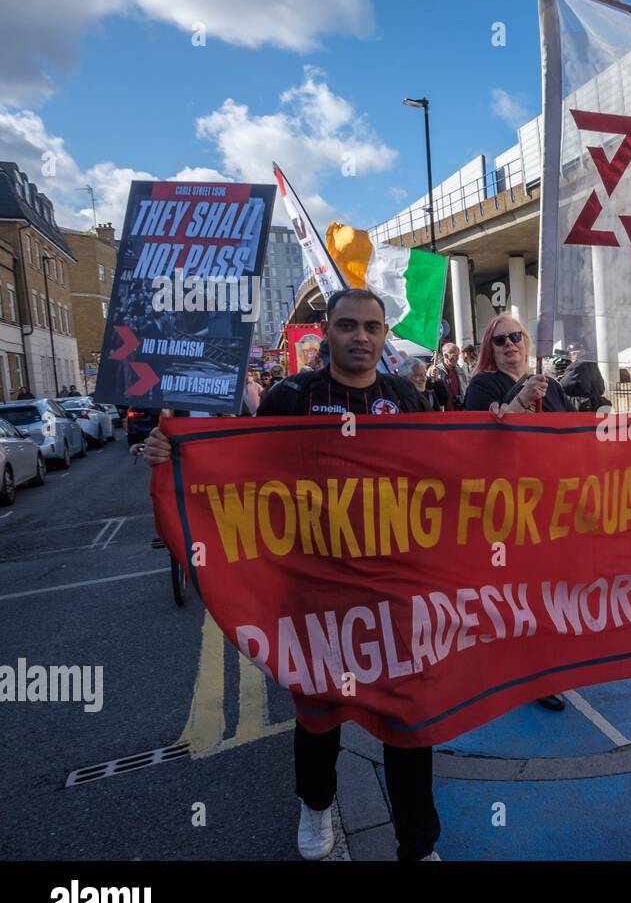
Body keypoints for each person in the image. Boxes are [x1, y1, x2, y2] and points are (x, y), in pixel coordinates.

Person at [143, 289, 442, 860]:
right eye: (348, 325)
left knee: (408, 716)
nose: (361, 336)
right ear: (326, 331)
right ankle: (316, 804)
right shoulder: (291, 396)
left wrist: (515, 425)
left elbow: (456, 466)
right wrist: (174, 452)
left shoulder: (406, 396)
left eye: (372, 326)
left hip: (394, 585)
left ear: (384, 335)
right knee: (318, 713)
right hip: (315, 587)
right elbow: (238, 468)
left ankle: (418, 843)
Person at [464, 313, 571, 712]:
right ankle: (534, 673)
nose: (510, 344)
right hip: (508, 507)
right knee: (522, 590)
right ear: (489, 351)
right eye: (500, 340)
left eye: (516, 336)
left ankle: (537, 662)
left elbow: (570, 436)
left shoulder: (553, 385)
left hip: (553, 504)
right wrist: (521, 401)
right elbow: (485, 440)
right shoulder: (482, 386)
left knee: (551, 587)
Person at [558, 343, 609, 412]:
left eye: (571, 355)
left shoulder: (576, 366)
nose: (570, 358)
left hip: (581, 407)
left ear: (575, 354)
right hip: (596, 405)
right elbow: (601, 388)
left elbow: (563, 387)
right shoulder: (593, 365)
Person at [435, 342, 469, 410]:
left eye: (458, 356)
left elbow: (465, 390)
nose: (457, 359)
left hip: (459, 411)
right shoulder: (436, 371)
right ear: (446, 356)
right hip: (443, 413)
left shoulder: (460, 371)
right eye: (454, 356)